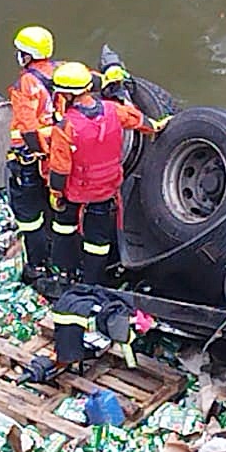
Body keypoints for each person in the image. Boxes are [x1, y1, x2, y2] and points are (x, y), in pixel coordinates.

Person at [46, 61, 166, 285]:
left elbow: (60, 169)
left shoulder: (66, 127)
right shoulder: (113, 110)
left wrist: (56, 193)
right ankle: (93, 281)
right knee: (98, 241)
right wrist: (156, 126)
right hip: (108, 189)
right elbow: (138, 120)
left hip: (77, 193)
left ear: (67, 94)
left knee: (63, 227)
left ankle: (66, 272)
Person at [6, 25, 59, 283]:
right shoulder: (62, 72)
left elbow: (27, 128)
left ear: (27, 55)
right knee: (56, 206)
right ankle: (60, 255)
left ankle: (37, 264)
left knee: (29, 217)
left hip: (30, 159)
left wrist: (36, 153)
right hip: (58, 154)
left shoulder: (25, 85)